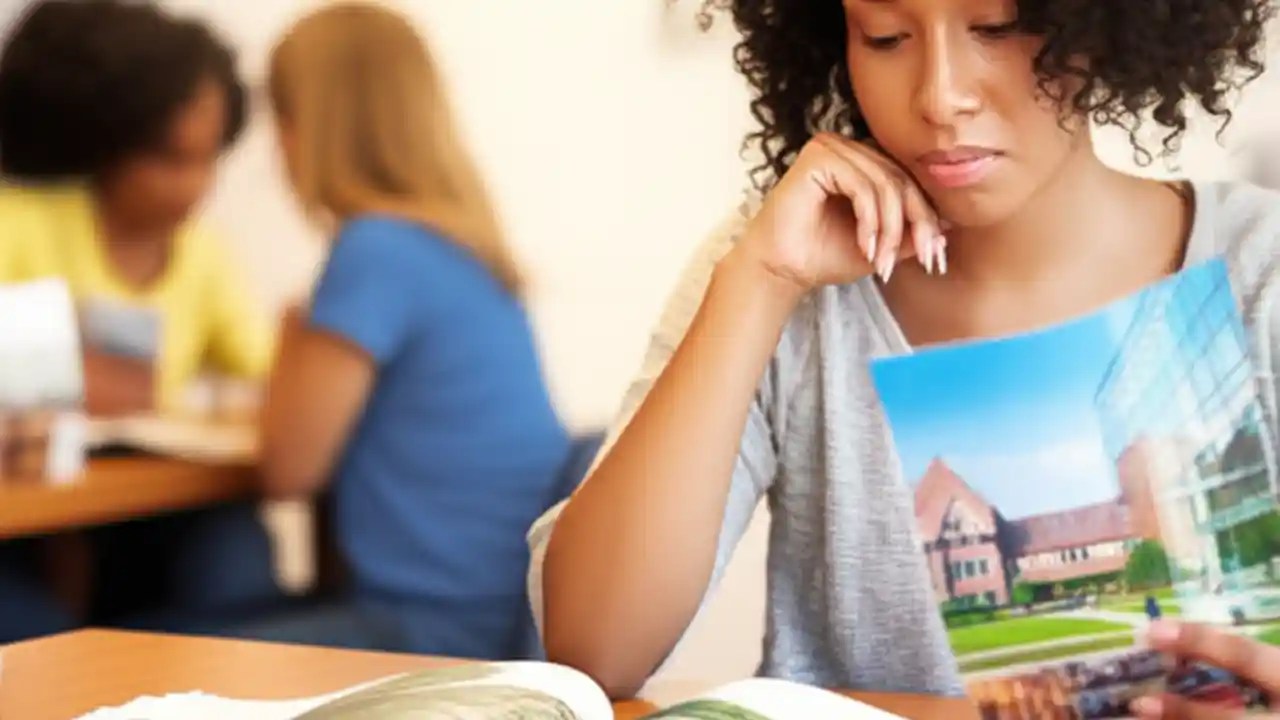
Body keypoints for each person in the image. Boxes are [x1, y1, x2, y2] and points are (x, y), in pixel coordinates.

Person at [529, 0, 1280, 706]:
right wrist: (760, 284)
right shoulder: (781, 266)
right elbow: (595, 652)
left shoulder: (1261, 270)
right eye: (885, 36)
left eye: (997, 26)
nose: (940, 97)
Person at [258, 3, 585, 660]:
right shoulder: (465, 248)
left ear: (304, 129)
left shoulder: (376, 249)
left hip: (428, 631)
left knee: (127, 647)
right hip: (495, 617)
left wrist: (292, 330)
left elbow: (287, 469)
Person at [0, 0, 281, 637]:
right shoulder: (21, 221)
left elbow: (264, 367)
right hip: (23, 516)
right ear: (109, 143)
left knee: (234, 556)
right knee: (37, 626)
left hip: (141, 513)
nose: (194, 186)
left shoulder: (201, 253)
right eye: (169, 159)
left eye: (209, 160)